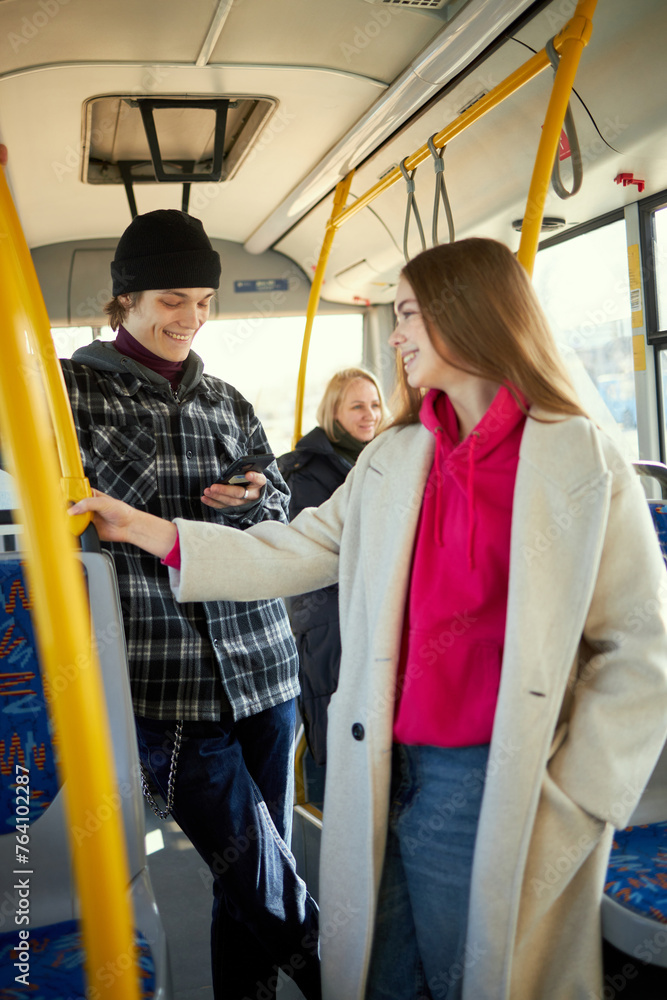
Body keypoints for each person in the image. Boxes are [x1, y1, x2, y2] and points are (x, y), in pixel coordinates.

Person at [69, 237, 667, 1000]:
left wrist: (580, 796)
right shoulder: (396, 455)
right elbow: (300, 545)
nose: (395, 337)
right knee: (380, 977)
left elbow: (638, 647)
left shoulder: (578, 456)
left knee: (473, 976)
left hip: (492, 776)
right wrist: (150, 530)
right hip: (378, 764)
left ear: (467, 315)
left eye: (408, 315)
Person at [60, 209, 320, 1000]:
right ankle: (348, 972)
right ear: (126, 298)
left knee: (251, 874)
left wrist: (252, 495)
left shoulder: (227, 401)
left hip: (264, 667)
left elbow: (275, 505)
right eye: (173, 299)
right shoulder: (70, 394)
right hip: (162, 676)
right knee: (258, 871)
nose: (192, 318)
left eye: (203, 301)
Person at [278, 368, 385, 772]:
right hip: (329, 619)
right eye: (357, 406)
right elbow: (322, 550)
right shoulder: (306, 472)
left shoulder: (382, 460)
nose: (369, 415)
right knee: (340, 739)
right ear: (333, 412)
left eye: (375, 405)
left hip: (374, 613)